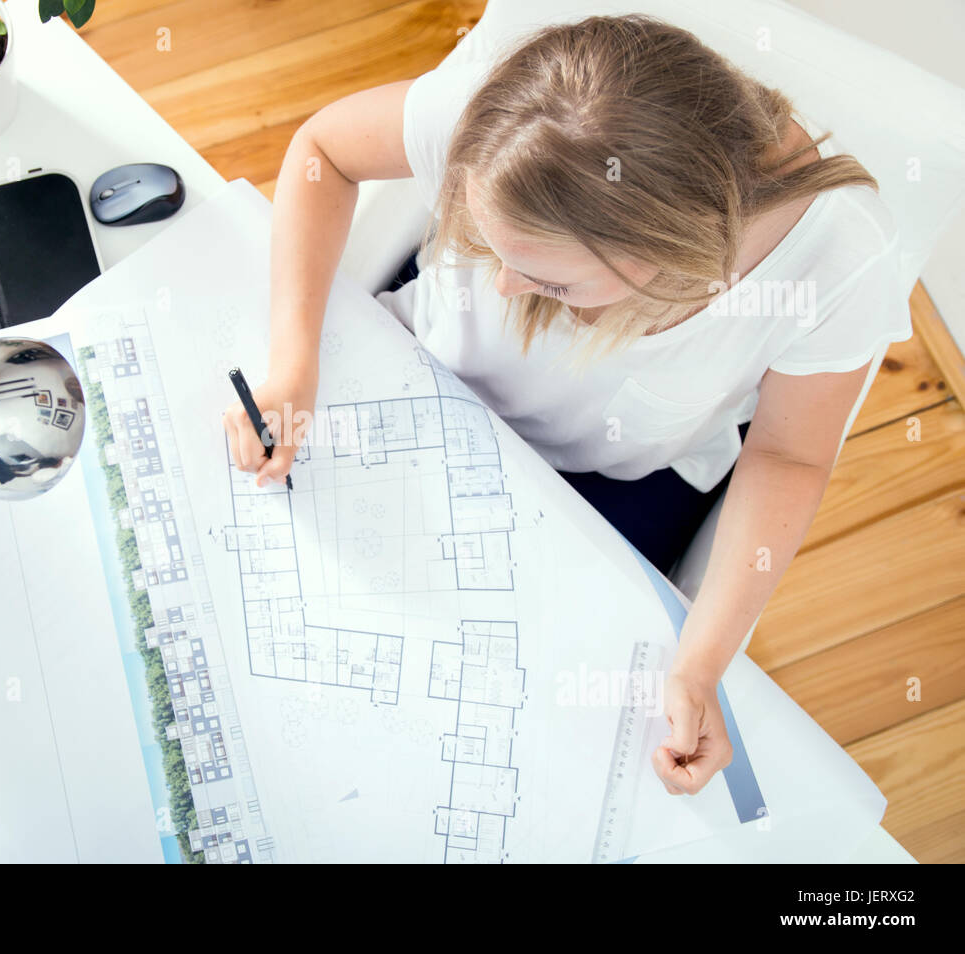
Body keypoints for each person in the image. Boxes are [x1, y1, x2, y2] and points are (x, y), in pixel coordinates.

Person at [222, 14, 912, 795]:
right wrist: (295, 359)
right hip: (419, 368)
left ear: (668, 265)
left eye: (547, 280)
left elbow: (788, 455)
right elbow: (323, 151)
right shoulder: (517, 110)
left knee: (526, 727)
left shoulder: (839, 259)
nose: (504, 286)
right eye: (488, 245)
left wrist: (701, 661)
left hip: (613, 478)